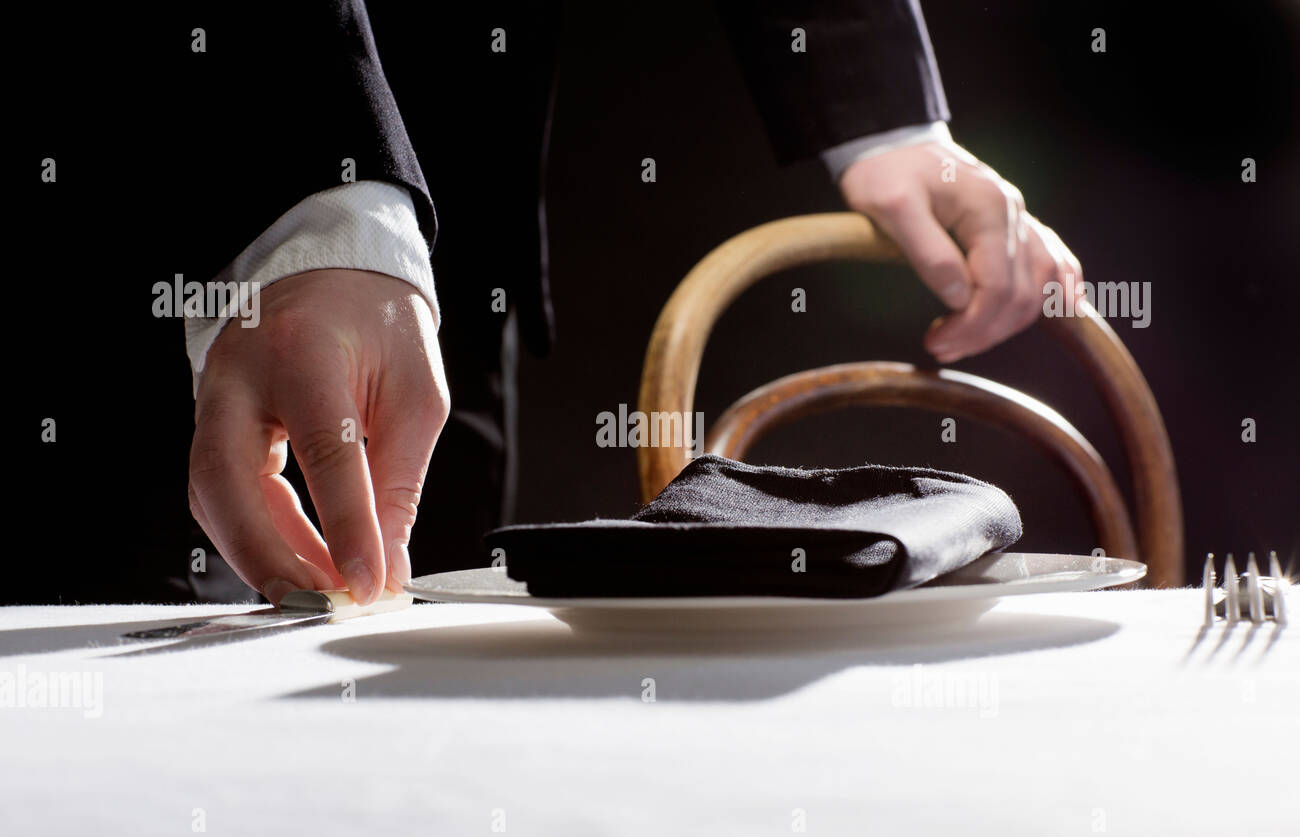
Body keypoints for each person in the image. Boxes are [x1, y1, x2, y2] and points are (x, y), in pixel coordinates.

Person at [13, 1, 1082, 605]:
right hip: (103, 209)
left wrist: (881, 106)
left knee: (395, 738)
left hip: (442, 249)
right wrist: (311, 183)